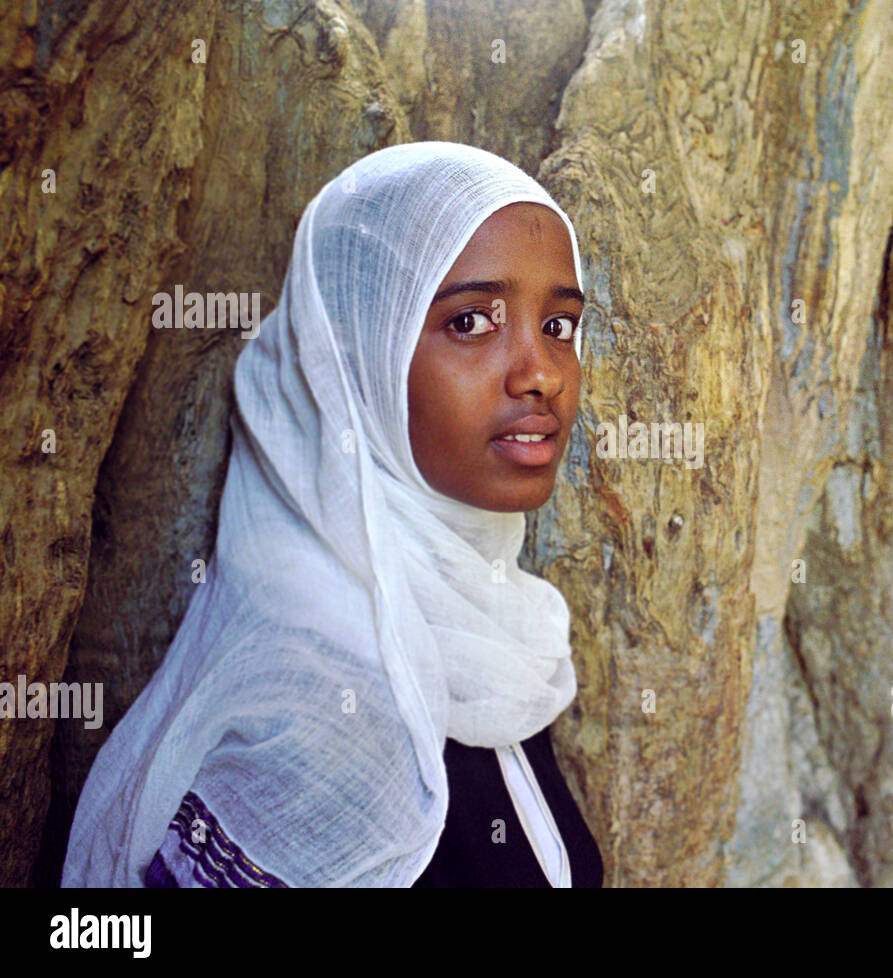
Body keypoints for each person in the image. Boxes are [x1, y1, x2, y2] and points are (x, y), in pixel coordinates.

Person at [62, 141, 603, 887]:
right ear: (354, 358)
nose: (541, 372)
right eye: (473, 321)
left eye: (559, 326)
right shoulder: (312, 717)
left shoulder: (493, 643)